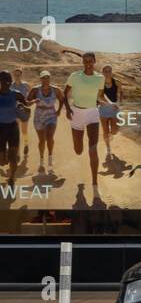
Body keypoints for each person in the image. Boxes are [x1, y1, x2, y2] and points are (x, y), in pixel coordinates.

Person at [63, 51, 106, 195]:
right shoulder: (74, 76)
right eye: (85, 60)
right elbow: (65, 93)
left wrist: (111, 104)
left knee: (92, 149)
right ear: (83, 62)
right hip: (76, 113)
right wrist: (68, 109)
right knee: (78, 149)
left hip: (92, 113)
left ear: (94, 61)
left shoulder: (100, 78)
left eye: (90, 60)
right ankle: (78, 148)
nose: (88, 63)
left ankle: (95, 183)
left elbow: (100, 96)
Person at [26, 69, 64, 179]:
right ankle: (42, 160)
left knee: (49, 136)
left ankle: (50, 157)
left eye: (47, 77)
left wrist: (59, 110)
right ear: (40, 79)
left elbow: (62, 99)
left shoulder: (56, 90)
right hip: (39, 116)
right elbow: (27, 102)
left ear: (50, 78)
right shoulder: (35, 90)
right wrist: (33, 101)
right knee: (41, 140)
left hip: (51, 115)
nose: (46, 79)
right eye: (43, 77)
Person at [0, 71, 19, 186]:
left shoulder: (16, 94)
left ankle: (12, 178)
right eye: (4, 81)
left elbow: (25, 104)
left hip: (13, 127)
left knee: (13, 157)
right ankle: (3, 155)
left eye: (8, 81)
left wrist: (28, 107)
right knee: (2, 161)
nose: (7, 83)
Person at [100, 63, 121, 164]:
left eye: (109, 71)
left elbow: (120, 94)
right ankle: (108, 148)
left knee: (115, 130)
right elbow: (100, 96)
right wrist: (109, 103)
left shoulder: (117, 82)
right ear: (103, 73)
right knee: (105, 130)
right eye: (106, 71)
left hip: (114, 109)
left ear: (111, 72)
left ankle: (110, 135)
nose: (108, 73)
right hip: (104, 108)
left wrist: (119, 104)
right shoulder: (100, 84)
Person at [11, 68, 30, 166]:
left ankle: (26, 144)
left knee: (24, 131)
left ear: (21, 75)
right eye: (15, 74)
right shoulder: (10, 86)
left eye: (19, 74)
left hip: (24, 111)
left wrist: (28, 103)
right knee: (16, 133)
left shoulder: (26, 85)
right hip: (14, 112)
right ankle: (17, 153)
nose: (17, 76)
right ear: (13, 75)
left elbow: (31, 95)